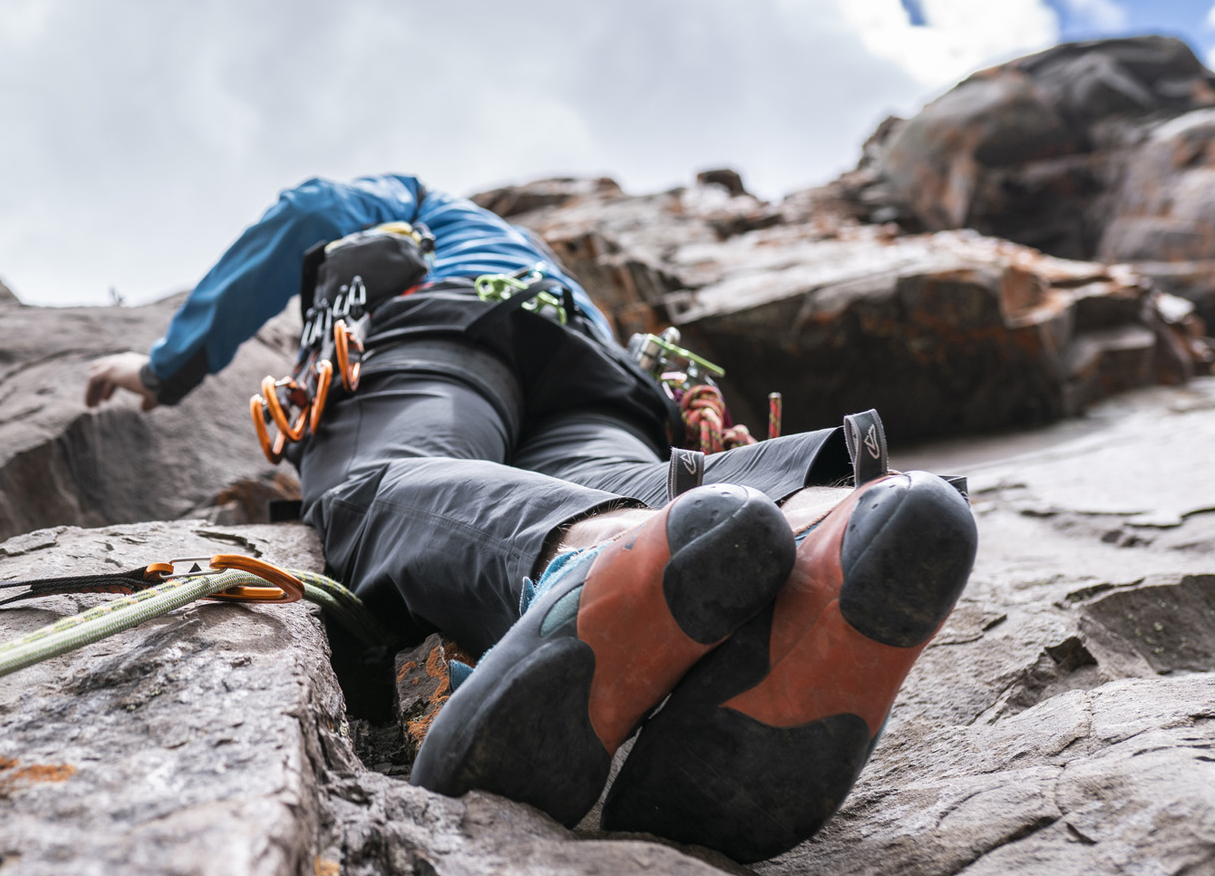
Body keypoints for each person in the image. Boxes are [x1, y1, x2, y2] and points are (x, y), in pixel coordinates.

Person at [84, 173, 976, 862]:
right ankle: (830, 524)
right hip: (600, 377)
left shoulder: (422, 203)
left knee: (393, 475)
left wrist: (165, 366)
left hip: (443, 330)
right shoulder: (560, 275)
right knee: (617, 480)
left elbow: (311, 207)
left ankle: (593, 557)